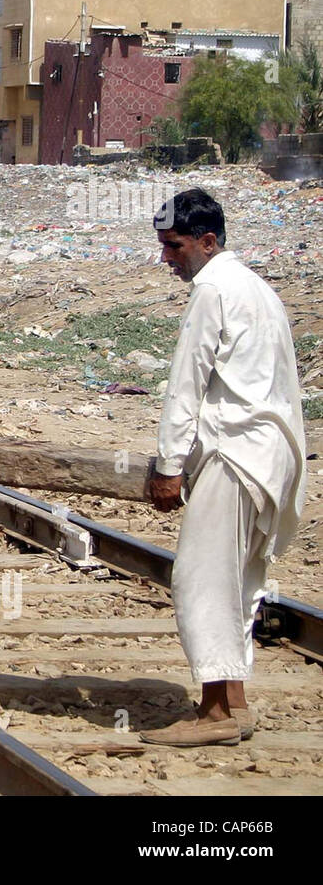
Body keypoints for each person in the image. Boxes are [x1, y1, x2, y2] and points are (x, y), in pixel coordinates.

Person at [140, 189, 308, 748]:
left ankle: (214, 714)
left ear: (207, 242)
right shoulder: (257, 288)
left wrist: (169, 465)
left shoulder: (212, 288)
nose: (168, 258)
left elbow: (186, 383)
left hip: (235, 452)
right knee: (239, 580)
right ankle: (234, 701)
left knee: (201, 577)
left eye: (175, 246)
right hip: (271, 452)